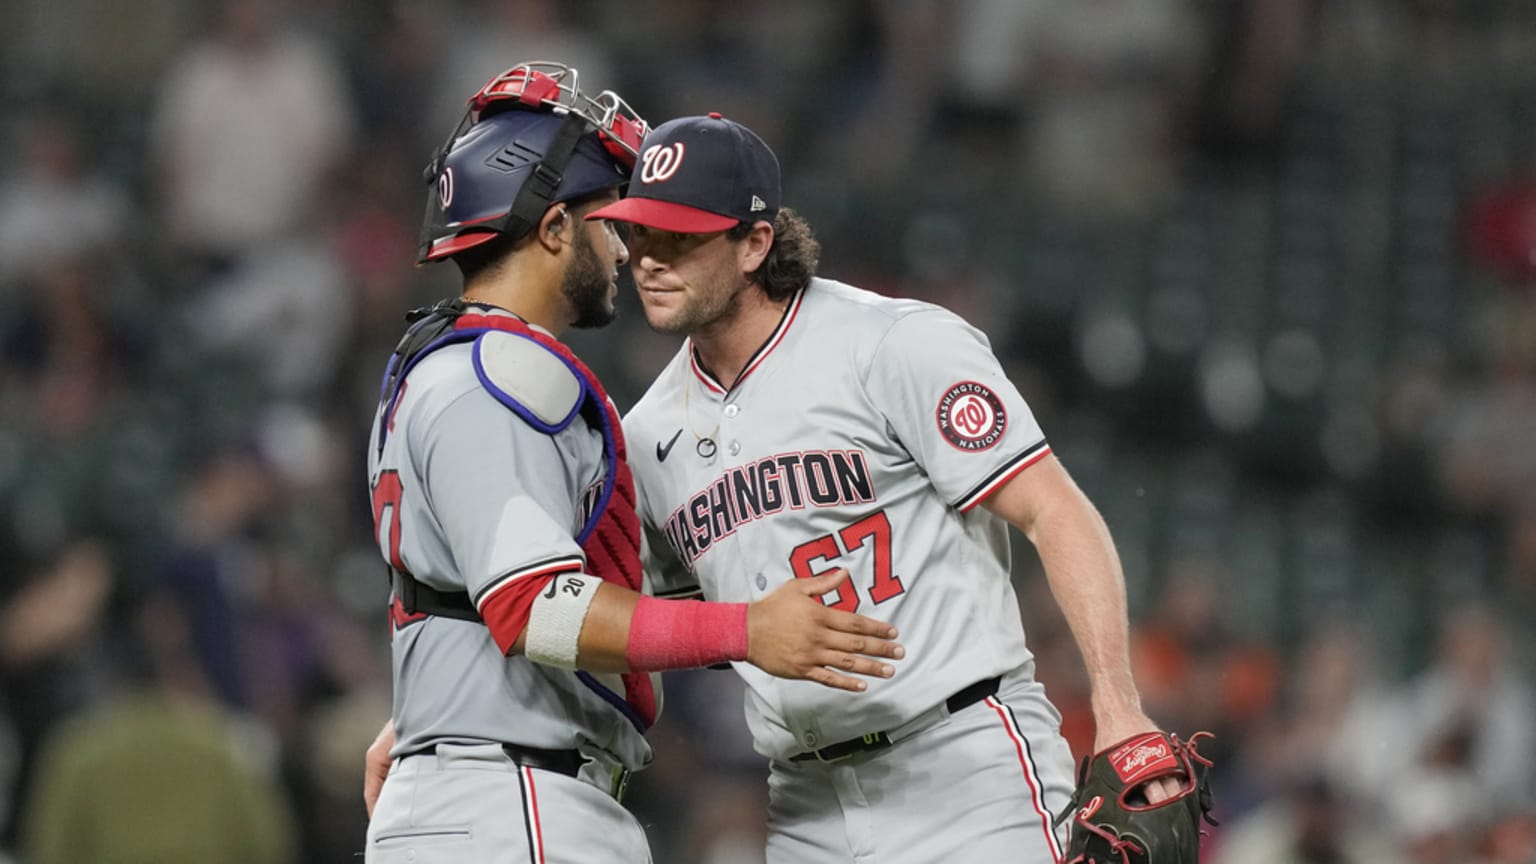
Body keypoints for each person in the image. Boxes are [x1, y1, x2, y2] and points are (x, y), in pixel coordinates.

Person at [585, 112, 1183, 863]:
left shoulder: (891, 345)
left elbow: (1052, 507)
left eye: (681, 236)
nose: (649, 259)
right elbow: (655, 629)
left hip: (964, 763)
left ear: (754, 243)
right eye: (640, 233)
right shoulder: (645, 437)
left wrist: (1118, 705)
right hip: (804, 802)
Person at [361, 67, 902, 864]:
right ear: (552, 229)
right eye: (606, 222)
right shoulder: (500, 373)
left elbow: (459, 597)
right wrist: (747, 630)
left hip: (482, 789)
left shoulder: (443, 364)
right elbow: (534, 607)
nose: (624, 248)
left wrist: (422, 717)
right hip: (516, 803)